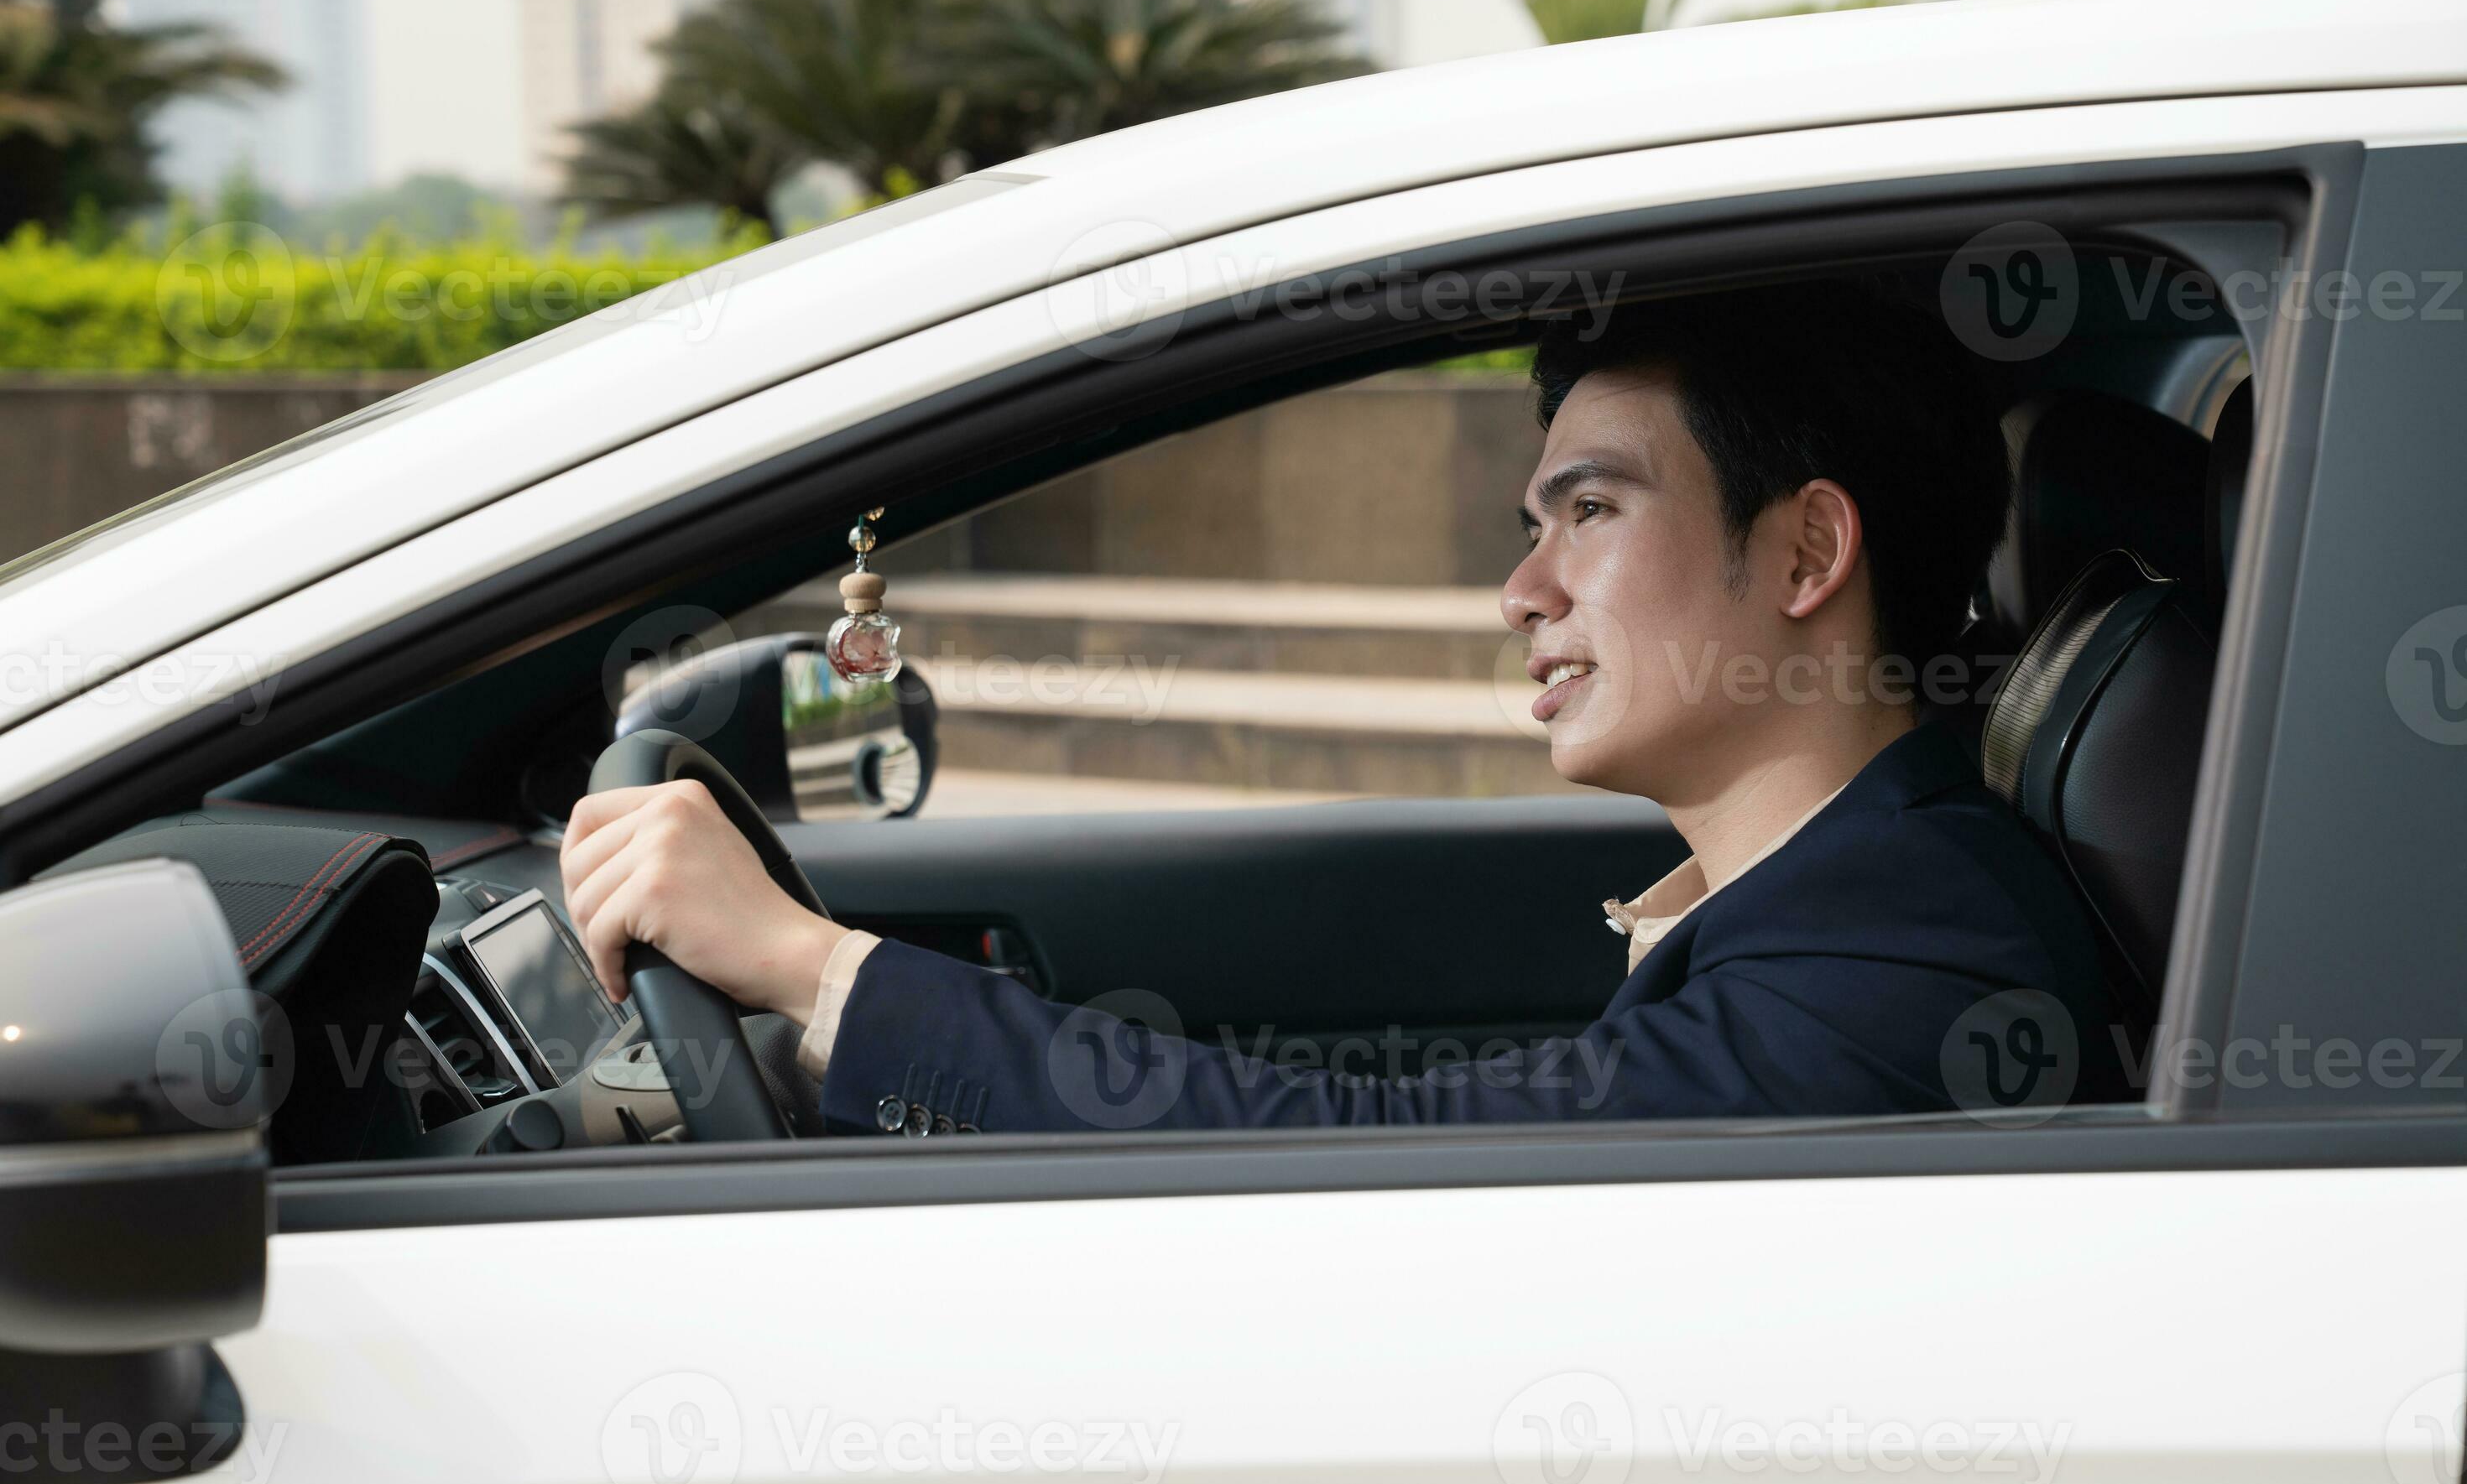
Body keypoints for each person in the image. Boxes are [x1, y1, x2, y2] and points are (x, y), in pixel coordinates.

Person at [559, 280, 2132, 1131]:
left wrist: (809, 967)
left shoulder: (1916, 951)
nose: (1523, 592)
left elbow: (1373, 1160)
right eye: (1534, 526)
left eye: (1587, 512)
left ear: (1806, 549)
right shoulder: (1851, 891)